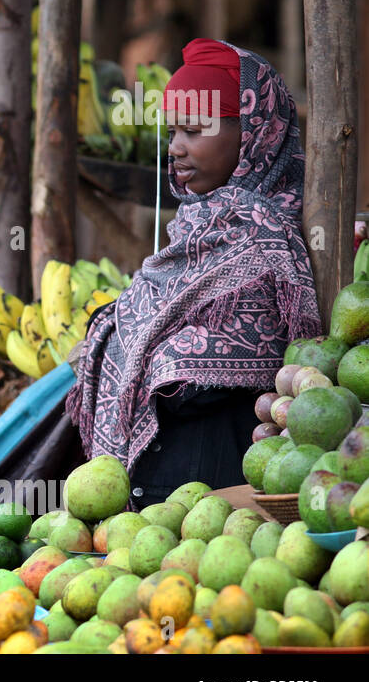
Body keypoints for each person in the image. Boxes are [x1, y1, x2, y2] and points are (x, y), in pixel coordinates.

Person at [65, 39, 321, 507]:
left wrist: (147, 350)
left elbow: (235, 363)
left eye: (194, 129)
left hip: (219, 485)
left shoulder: (262, 231)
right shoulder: (194, 224)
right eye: (172, 131)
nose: (177, 148)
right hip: (158, 486)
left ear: (251, 132)